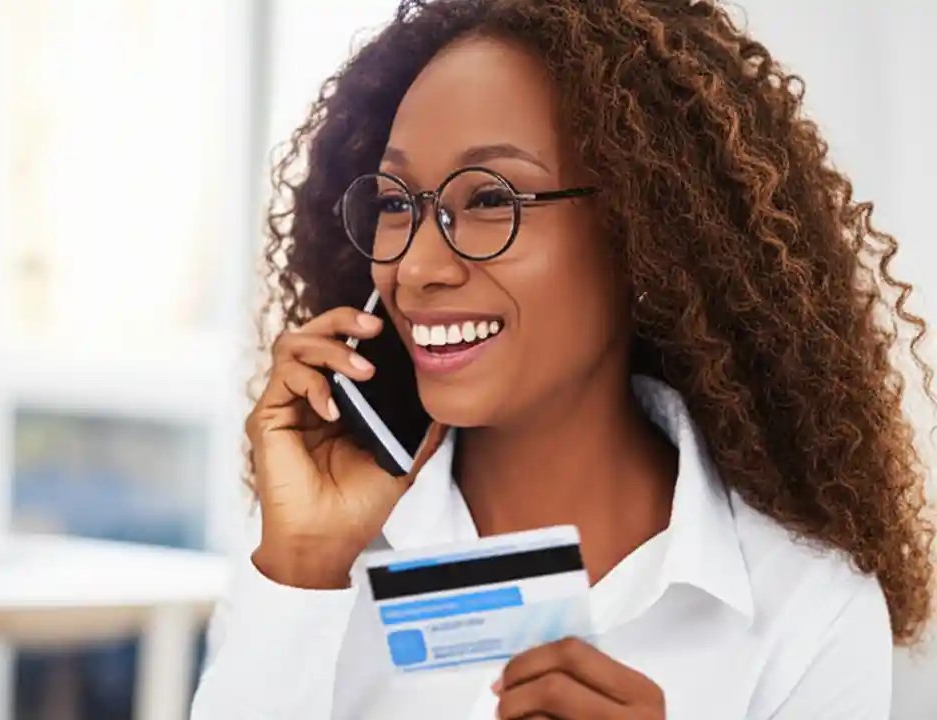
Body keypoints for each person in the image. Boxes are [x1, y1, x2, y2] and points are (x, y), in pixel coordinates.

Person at [191, 1, 934, 718]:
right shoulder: (313, 545)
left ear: (643, 235)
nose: (414, 268)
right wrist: (301, 573)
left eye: (489, 197)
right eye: (395, 202)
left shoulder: (807, 608)